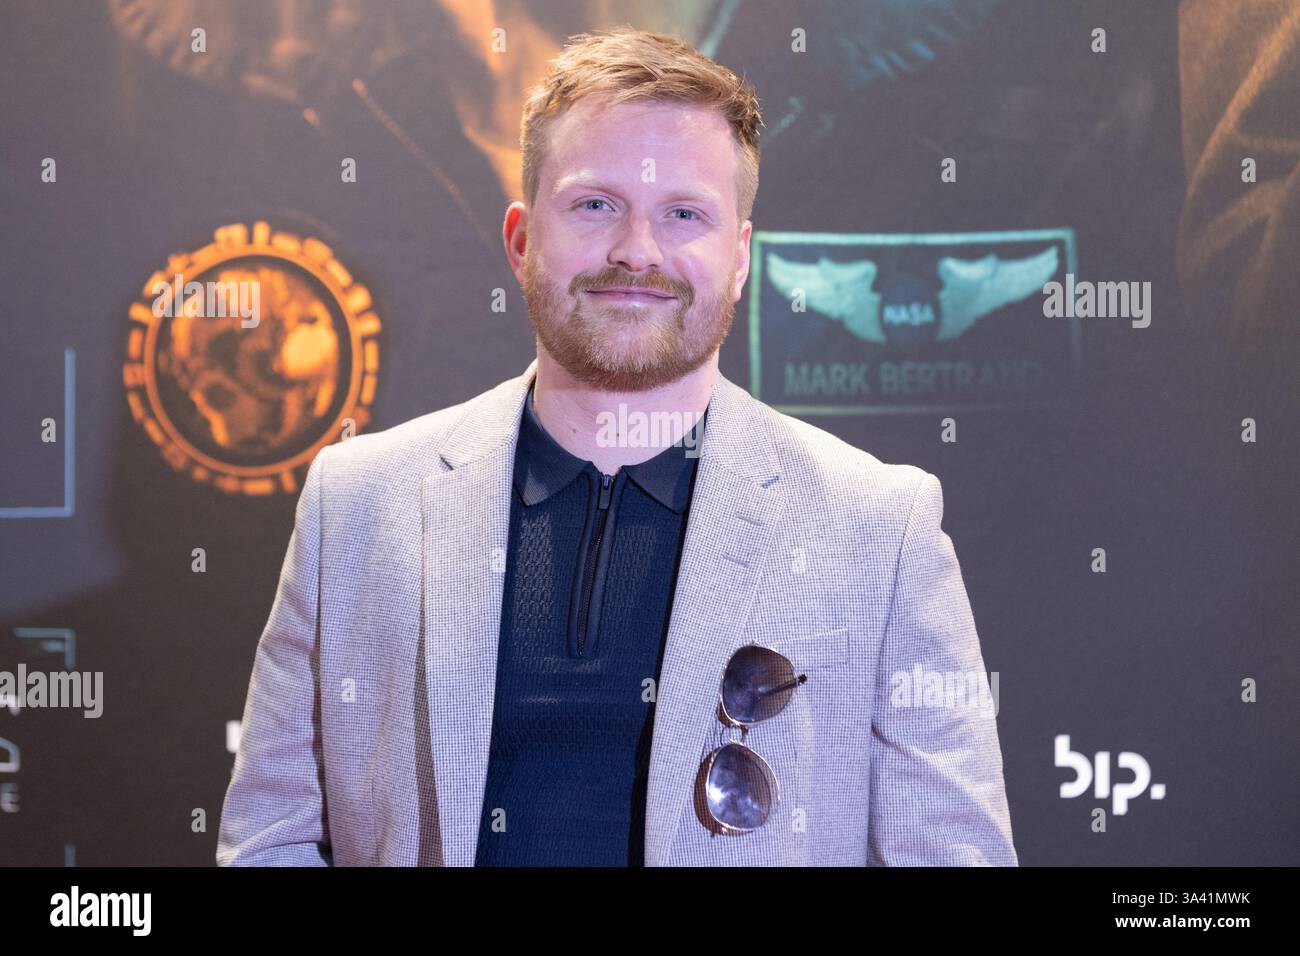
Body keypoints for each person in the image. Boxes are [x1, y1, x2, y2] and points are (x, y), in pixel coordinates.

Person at [217, 26, 1017, 867]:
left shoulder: (878, 528)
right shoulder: (357, 502)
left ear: (739, 257)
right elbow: (270, 841)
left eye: (684, 213)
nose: (638, 250)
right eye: (596, 205)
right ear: (522, 240)